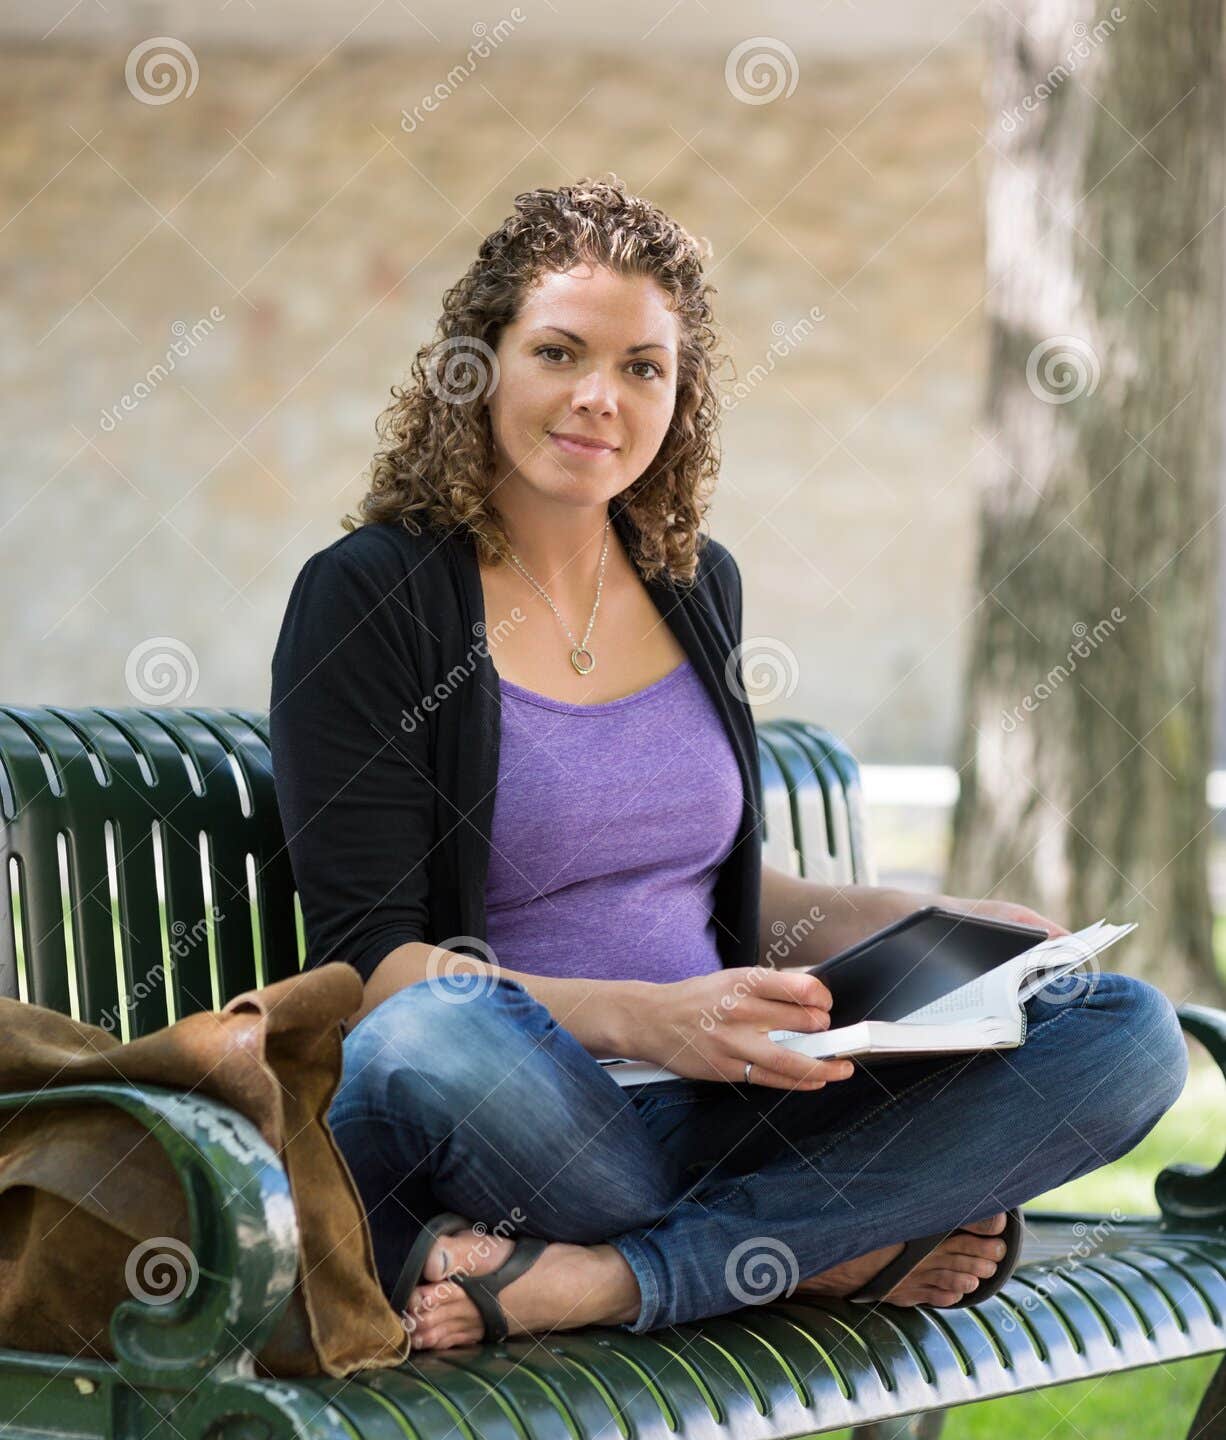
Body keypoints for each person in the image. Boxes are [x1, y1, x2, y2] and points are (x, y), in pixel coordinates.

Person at [269, 176, 1189, 1353]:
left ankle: (613, 1279)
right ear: (479, 364)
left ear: (680, 394)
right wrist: (651, 1023)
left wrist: (929, 925)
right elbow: (369, 968)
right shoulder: (372, 596)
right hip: (525, 1116)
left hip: (724, 1106)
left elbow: (713, 887)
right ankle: (828, 1247)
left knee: (1121, 1029)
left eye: (644, 368)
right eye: (558, 351)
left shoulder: (693, 582)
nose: (599, 398)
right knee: (437, 1030)